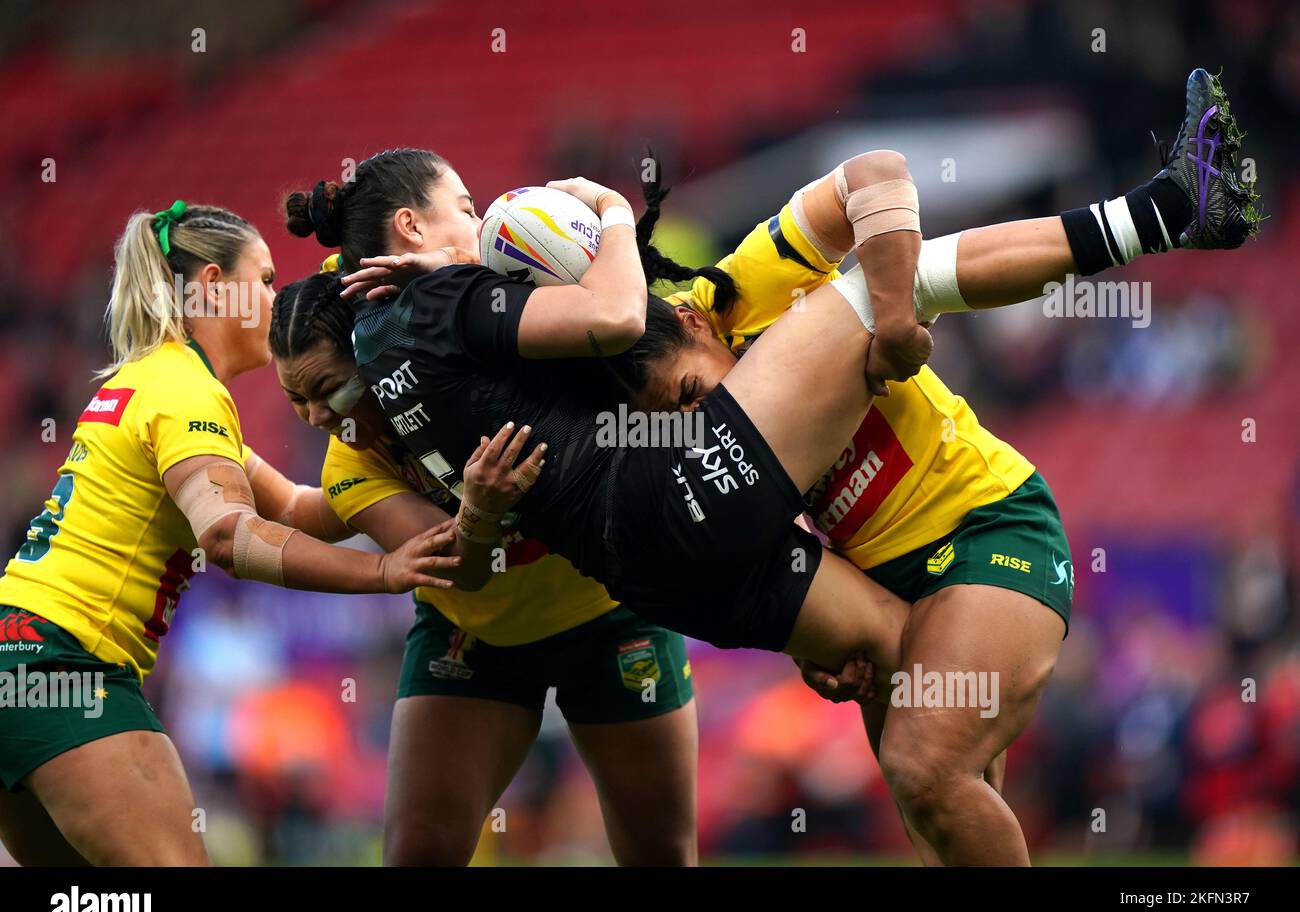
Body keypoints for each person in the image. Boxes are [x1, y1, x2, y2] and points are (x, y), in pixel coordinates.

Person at [288, 68, 1258, 864]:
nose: (697, 418)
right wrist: (805, 640)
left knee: (924, 766)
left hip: (984, 529)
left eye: (682, 393)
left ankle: (1172, 207)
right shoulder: (658, 424)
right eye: (668, 415)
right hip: (880, 575)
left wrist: (888, 320)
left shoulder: (738, 287)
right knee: (935, 800)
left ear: (701, 324)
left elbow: (876, 174)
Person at [0, 201, 477, 866]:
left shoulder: (150, 382)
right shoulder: (188, 395)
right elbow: (229, 536)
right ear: (216, 285)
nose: (275, 297)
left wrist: (395, 466)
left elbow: (302, 509)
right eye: (264, 278)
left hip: (17, 661)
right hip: (67, 669)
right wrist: (382, 573)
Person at [270, 264, 698, 866]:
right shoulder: (349, 468)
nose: (317, 416)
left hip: (612, 617)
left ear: (375, 355)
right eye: (297, 398)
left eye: (330, 388)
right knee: (417, 857)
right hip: (471, 638)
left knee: (663, 856)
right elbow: (460, 570)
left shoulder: (484, 367)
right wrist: (479, 512)